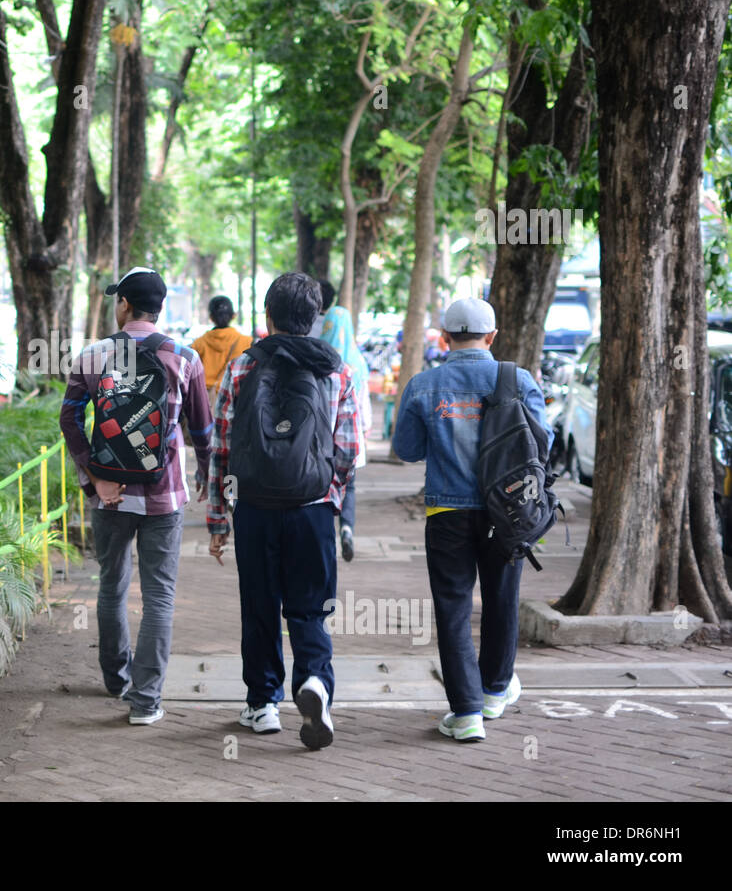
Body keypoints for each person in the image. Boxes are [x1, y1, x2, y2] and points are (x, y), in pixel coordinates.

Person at [205, 272, 361, 750]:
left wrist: (218, 520)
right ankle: (314, 681)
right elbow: (349, 450)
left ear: (267, 317)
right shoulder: (337, 371)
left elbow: (223, 449)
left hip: (253, 508)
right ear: (315, 319)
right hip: (312, 511)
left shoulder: (241, 368)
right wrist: (329, 497)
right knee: (310, 609)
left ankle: (263, 704)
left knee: (259, 608)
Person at [60, 267, 214, 726]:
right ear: (160, 308)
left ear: (124, 305)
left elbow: (70, 420)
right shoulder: (184, 357)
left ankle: (116, 679)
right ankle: (146, 702)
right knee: (159, 598)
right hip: (164, 495)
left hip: (111, 493)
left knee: (111, 586)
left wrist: (93, 480)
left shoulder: (92, 355)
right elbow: (202, 428)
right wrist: (206, 471)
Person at [391, 297, 550, 743]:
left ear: (444, 338)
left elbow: (407, 450)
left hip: (447, 512)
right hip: (510, 512)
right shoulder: (516, 379)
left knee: (453, 610)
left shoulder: (424, 386)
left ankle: (465, 714)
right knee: (502, 600)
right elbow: (544, 441)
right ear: (492, 336)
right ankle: (495, 692)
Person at [319, 304, 371, 561]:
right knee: (348, 486)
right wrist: (365, 427)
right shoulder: (357, 361)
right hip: (352, 435)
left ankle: (328, 530)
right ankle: (347, 527)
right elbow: (364, 403)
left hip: (322, 438)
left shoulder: (317, 358)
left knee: (325, 489)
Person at [190, 295, 253, 397]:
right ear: (234, 315)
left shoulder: (198, 343)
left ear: (211, 317)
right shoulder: (247, 342)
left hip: (205, 398)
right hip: (234, 398)